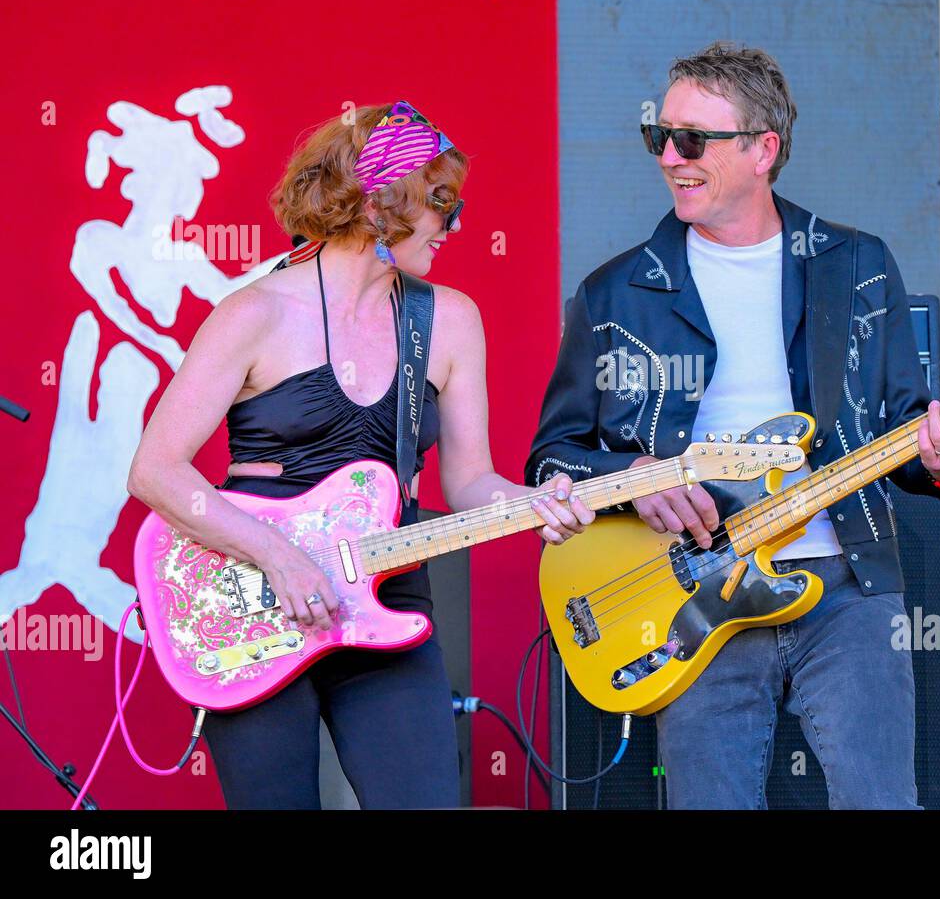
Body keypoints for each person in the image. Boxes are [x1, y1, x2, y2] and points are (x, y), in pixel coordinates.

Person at [527, 44, 940, 809]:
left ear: (762, 150)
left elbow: (906, 437)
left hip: (848, 584)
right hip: (691, 595)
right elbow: (552, 459)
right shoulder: (615, 292)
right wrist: (634, 480)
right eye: (660, 137)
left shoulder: (857, 263)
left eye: (693, 140)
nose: (670, 157)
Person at [128, 100, 593, 808]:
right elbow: (154, 469)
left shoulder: (451, 321)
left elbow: (468, 480)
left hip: (387, 587)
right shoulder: (255, 314)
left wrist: (534, 506)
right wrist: (277, 555)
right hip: (253, 592)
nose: (454, 224)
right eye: (441, 204)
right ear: (380, 205)